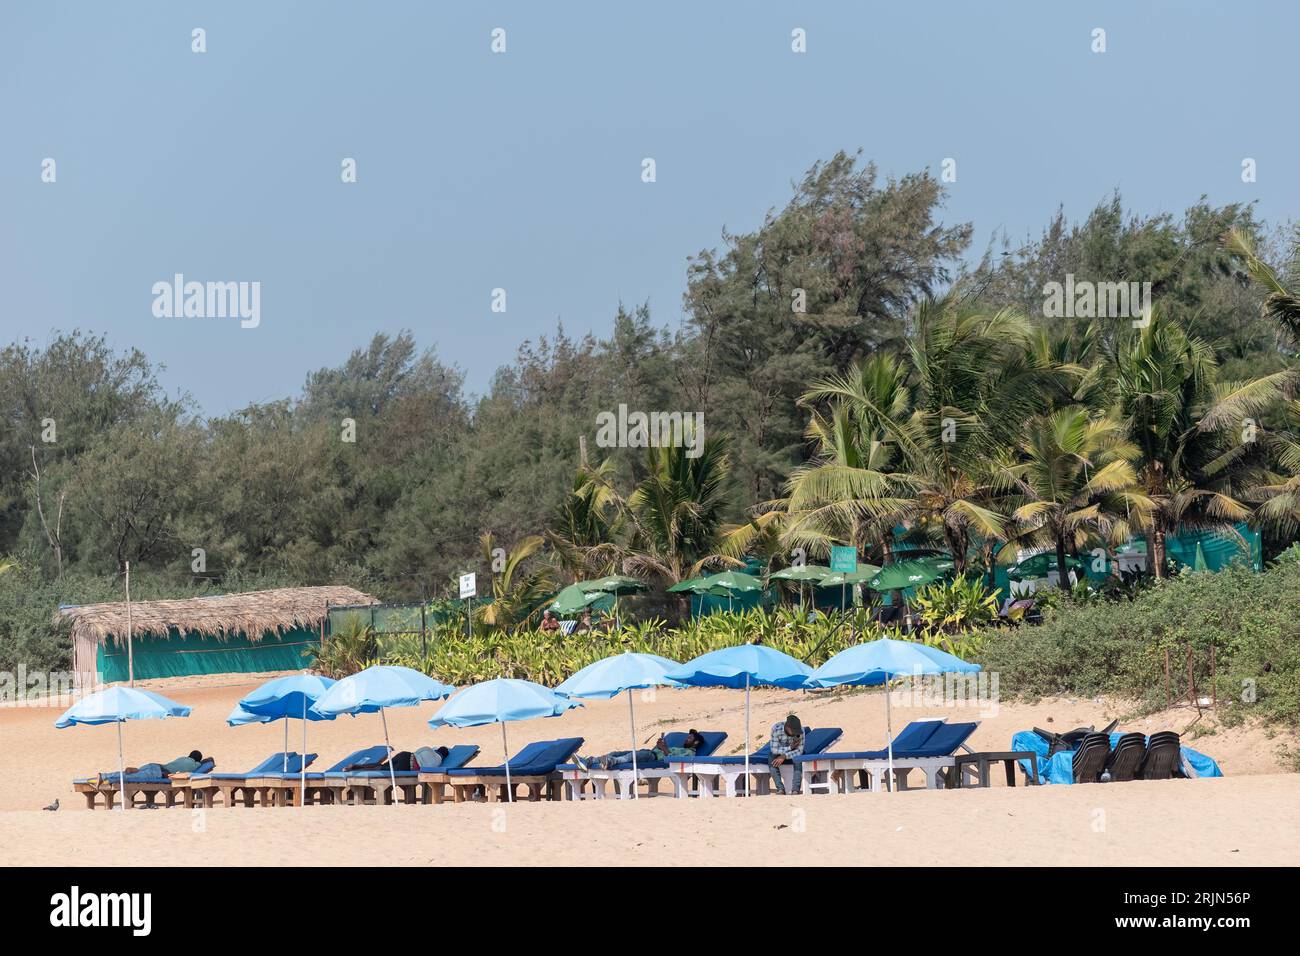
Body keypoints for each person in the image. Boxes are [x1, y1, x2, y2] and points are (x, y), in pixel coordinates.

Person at [574, 730, 706, 771]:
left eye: (690, 738)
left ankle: (609, 762)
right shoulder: (680, 748)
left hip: (653, 758)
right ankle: (588, 761)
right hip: (649, 752)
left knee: (628, 758)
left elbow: (671, 759)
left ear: (696, 742)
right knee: (616, 752)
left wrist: (663, 748)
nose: (686, 739)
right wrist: (661, 745)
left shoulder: (690, 753)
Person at [768, 715, 805, 795]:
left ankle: (795, 790)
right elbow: (774, 750)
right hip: (779, 753)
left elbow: (799, 750)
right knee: (771, 759)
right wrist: (789, 748)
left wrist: (785, 756)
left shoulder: (801, 731)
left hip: (794, 753)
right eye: (794, 731)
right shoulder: (776, 729)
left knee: (798, 759)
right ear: (788, 728)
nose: (796, 733)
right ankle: (780, 789)